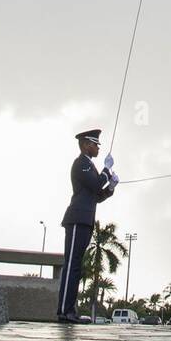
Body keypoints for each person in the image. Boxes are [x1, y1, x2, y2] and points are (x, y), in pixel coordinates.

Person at [56, 127, 118, 323]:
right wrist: (107, 171)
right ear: (85, 145)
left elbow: (96, 195)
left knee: (76, 267)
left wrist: (111, 188)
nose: (98, 148)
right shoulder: (81, 163)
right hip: (76, 219)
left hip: (85, 220)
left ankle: (70, 310)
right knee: (72, 265)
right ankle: (65, 311)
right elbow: (95, 184)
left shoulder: (89, 166)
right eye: (95, 144)